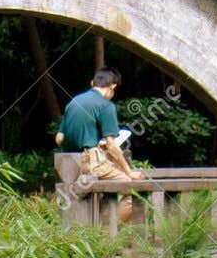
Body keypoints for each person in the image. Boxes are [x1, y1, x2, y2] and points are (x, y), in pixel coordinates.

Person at [55, 67, 148, 225]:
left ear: (93, 83)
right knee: (136, 192)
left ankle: (97, 229)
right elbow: (112, 146)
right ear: (113, 86)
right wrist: (129, 172)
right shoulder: (106, 105)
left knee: (106, 192)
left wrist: (92, 139)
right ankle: (104, 235)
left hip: (68, 164)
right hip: (91, 163)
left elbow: (59, 138)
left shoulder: (73, 102)